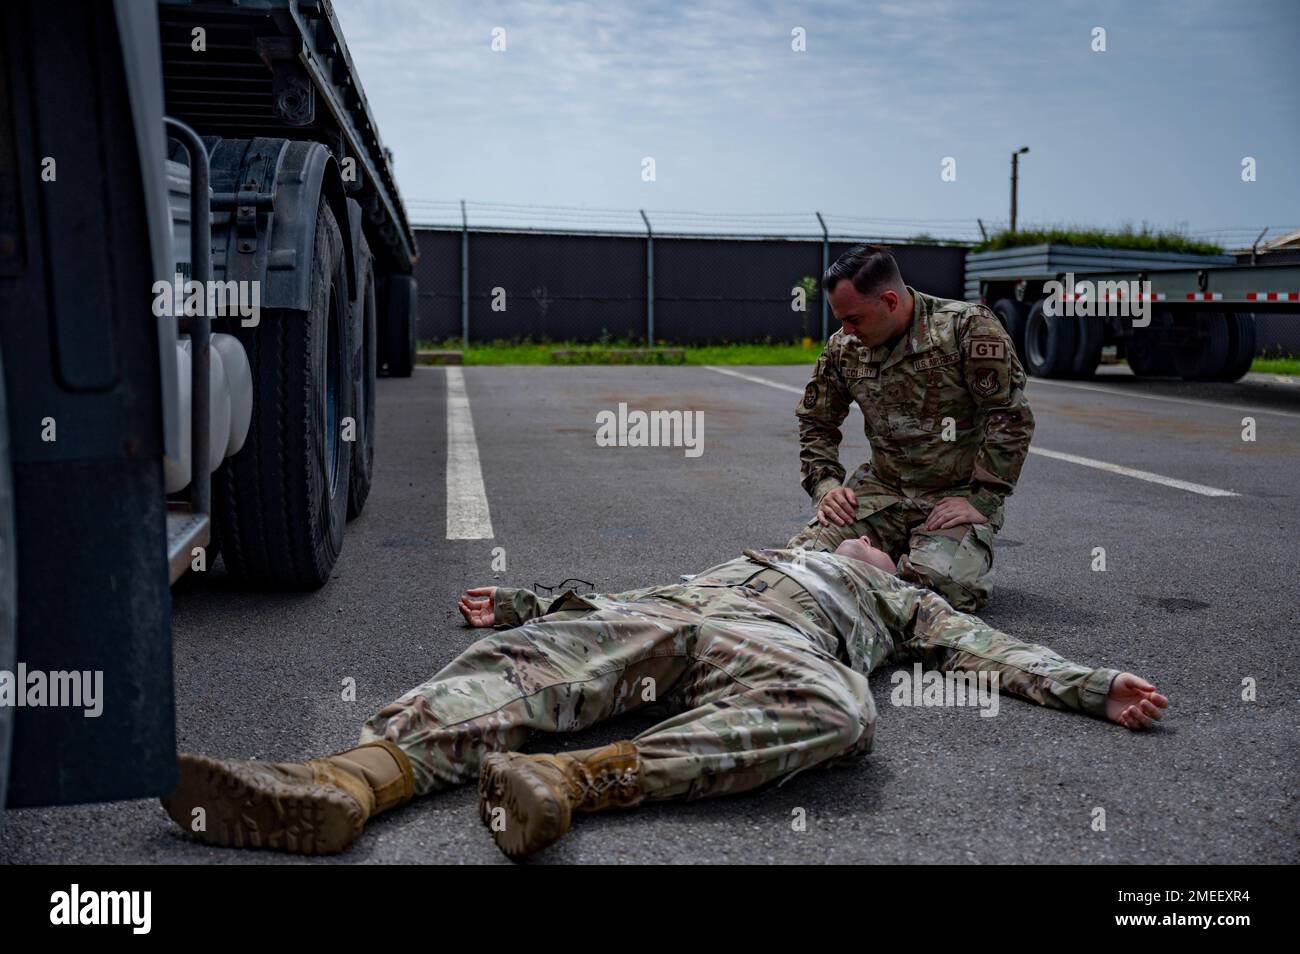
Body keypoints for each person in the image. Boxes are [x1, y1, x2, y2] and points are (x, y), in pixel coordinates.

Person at [160, 539, 1167, 860]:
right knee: (547, 661)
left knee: (843, 714)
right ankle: (344, 783)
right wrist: (526, 600)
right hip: (676, 611)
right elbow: (616, 591)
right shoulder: (770, 546)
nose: (855, 535)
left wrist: (1092, 685)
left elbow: (989, 647)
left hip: (784, 647)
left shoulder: (899, 599)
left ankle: (564, 785)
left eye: (870, 539)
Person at [789, 244, 1035, 611]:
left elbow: (1010, 417)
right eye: (840, 319)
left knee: (945, 587)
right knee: (800, 566)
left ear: (889, 301)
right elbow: (816, 421)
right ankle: (893, 561)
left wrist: (982, 500)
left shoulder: (966, 329)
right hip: (882, 491)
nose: (846, 330)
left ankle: (897, 560)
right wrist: (825, 486)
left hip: (952, 496)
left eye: (854, 319)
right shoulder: (844, 348)